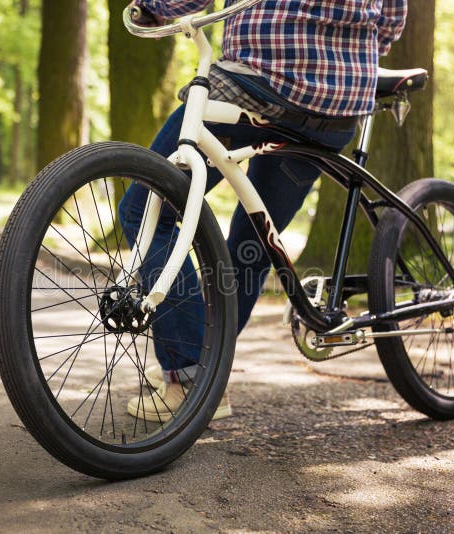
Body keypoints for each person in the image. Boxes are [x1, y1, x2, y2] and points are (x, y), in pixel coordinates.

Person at [121, 0, 407, 421]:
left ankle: (189, 377)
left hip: (263, 80)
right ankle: (205, 375)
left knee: (145, 207)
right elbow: (392, 20)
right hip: (339, 99)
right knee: (254, 239)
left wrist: (153, 8)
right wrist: (349, 47)